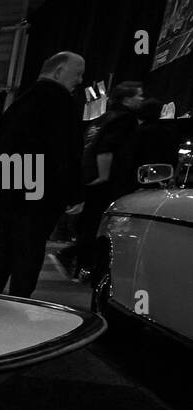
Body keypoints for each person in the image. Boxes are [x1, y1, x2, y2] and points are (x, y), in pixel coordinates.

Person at [0, 51, 86, 298]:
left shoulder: (20, 102)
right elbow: (68, 152)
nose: (80, 80)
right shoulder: (62, 102)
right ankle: (20, 303)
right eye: (78, 74)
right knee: (30, 252)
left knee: (3, 248)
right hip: (41, 197)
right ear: (59, 71)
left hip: (9, 193)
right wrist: (75, 192)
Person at [68, 81, 144, 277]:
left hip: (88, 178)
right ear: (126, 99)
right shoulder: (125, 119)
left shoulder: (102, 118)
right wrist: (103, 176)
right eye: (138, 95)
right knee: (101, 226)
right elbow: (106, 148)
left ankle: (81, 266)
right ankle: (91, 267)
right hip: (106, 183)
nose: (141, 99)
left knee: (88, 224)